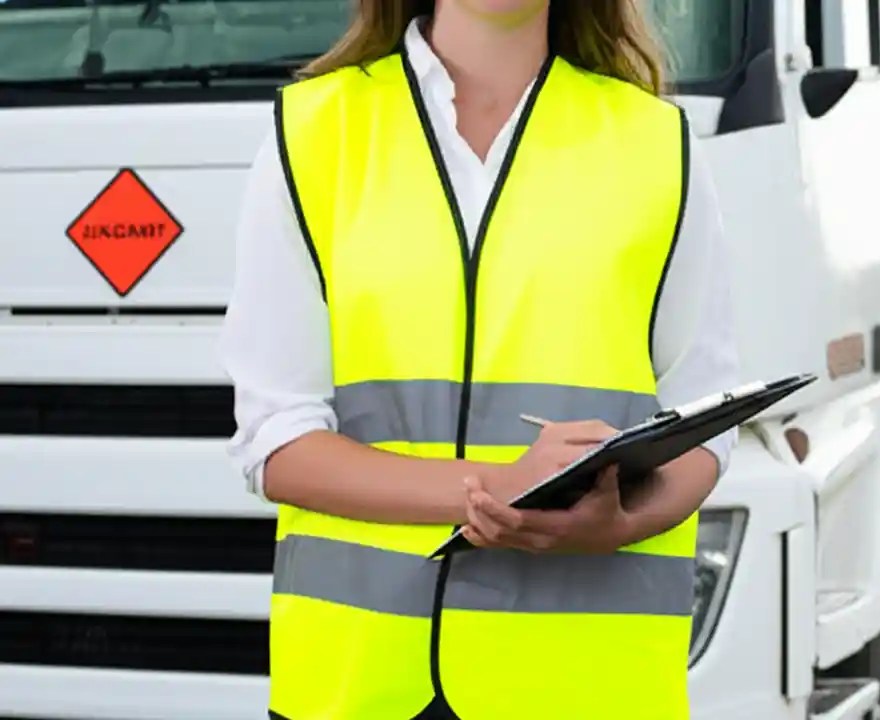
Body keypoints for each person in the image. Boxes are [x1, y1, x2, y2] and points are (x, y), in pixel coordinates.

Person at [217, 0, 739, 718]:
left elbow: (708, 421)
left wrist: (616, 523)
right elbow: (277, 442)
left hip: (587, 689)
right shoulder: (311, 132)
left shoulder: (658, 144)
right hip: (361, 687)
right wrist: (497, 487)